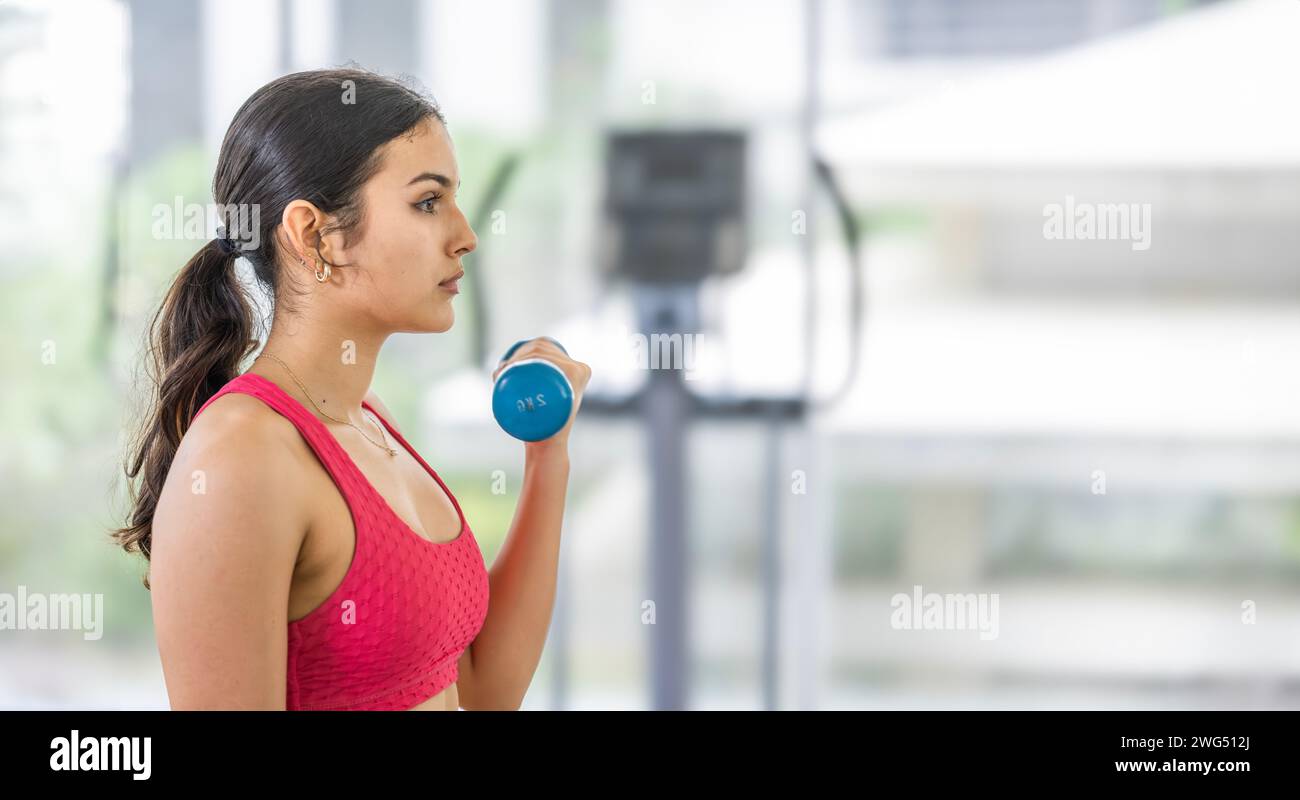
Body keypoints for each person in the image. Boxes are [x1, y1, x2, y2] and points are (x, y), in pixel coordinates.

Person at [112, 68, 590, 711]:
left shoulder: (370, 423)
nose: (465, 236)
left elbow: (480, 691)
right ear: (315, 235)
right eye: (428, 202)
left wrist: (546, 455)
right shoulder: (241, 460)